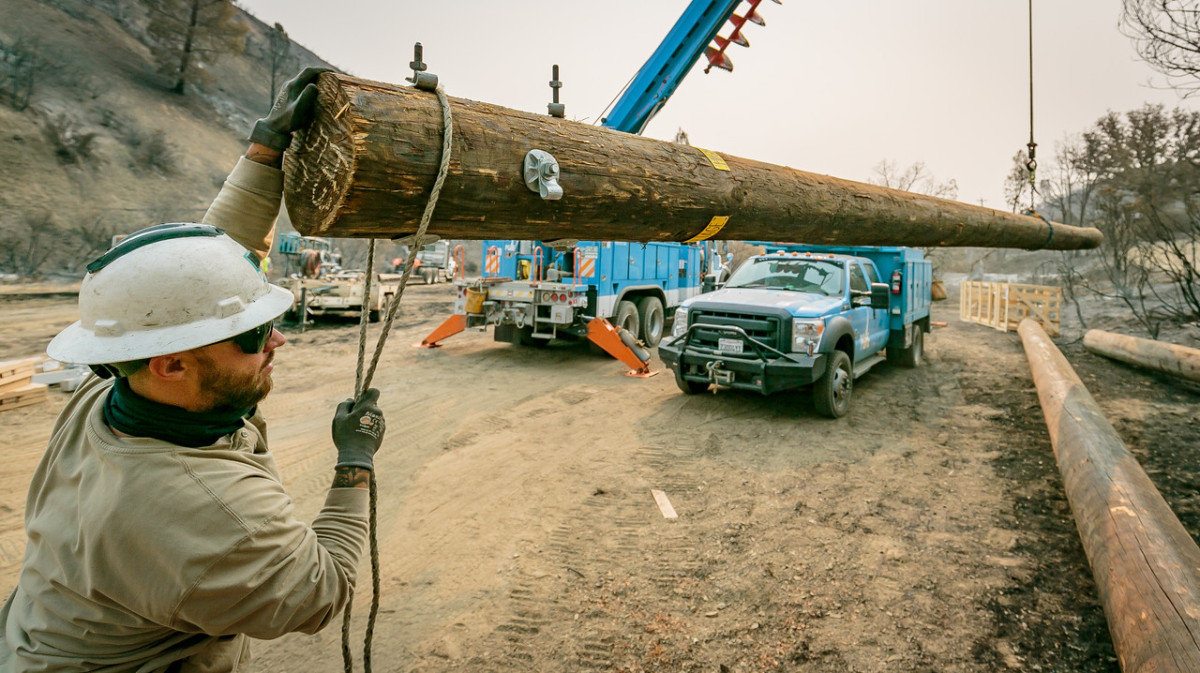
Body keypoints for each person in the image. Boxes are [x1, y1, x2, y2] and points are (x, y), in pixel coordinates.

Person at [0, 68, 387, 671]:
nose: (278, 339)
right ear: (174, 362)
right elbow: (321, 593)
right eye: (255, 334)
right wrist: (355, 463)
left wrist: (264, 154)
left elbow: (197, 281)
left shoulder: (110, 392)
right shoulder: (211, 513)